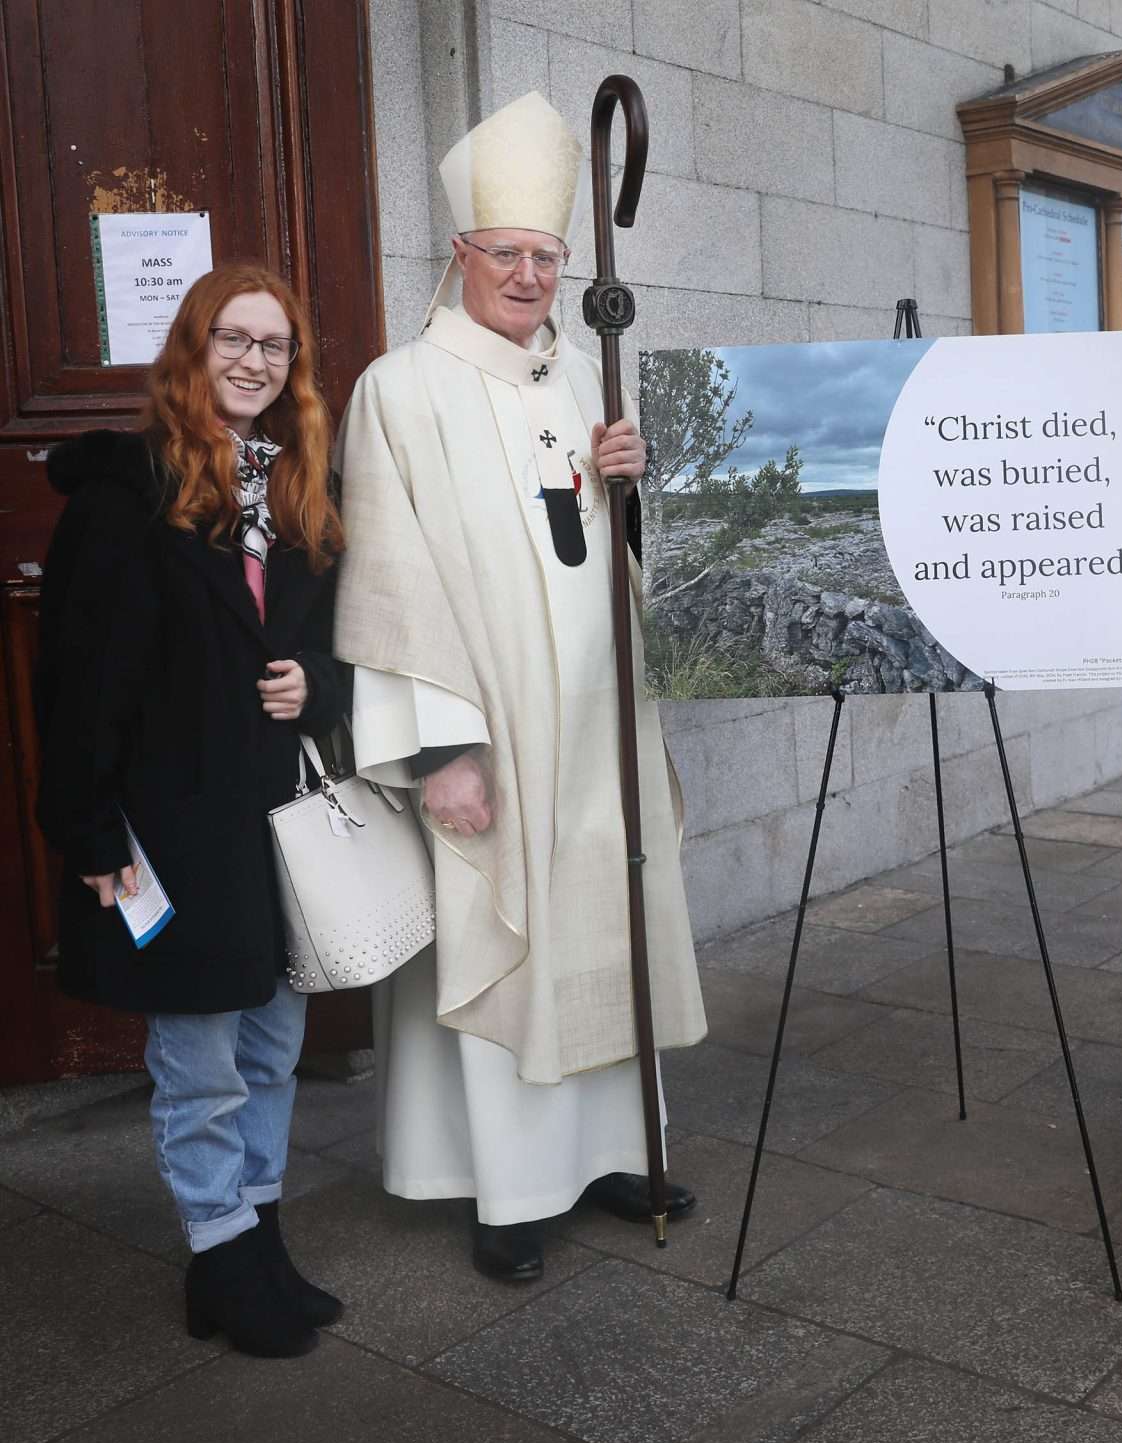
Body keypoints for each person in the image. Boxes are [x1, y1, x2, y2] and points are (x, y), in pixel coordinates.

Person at [334, 90, 706, 1282]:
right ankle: (509, 1189)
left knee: (605, 923)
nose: (534, 276)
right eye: (511, 254)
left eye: (549, 256)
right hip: (491, 727)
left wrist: (634, 485)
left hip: (599, 733)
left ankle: (613, 1153)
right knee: (509, 932)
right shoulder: (400, 389)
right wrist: (441, 747)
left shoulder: (577, 385)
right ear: (461, 255)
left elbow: (620, 566)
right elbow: (389, 575)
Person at [34, 263, 349, 1356]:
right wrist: (89, 832)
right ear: (193, 348)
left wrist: (319, 682)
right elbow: (76, 682)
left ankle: (256, 1237)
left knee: (273, 1041)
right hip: (171, 827)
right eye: (235, 338)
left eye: (276, 345)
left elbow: (338, 644)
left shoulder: (299, 488)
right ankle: (220, 1252)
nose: (256, 359)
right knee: (203, 1057)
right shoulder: (129, 498)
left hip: (273, 821)